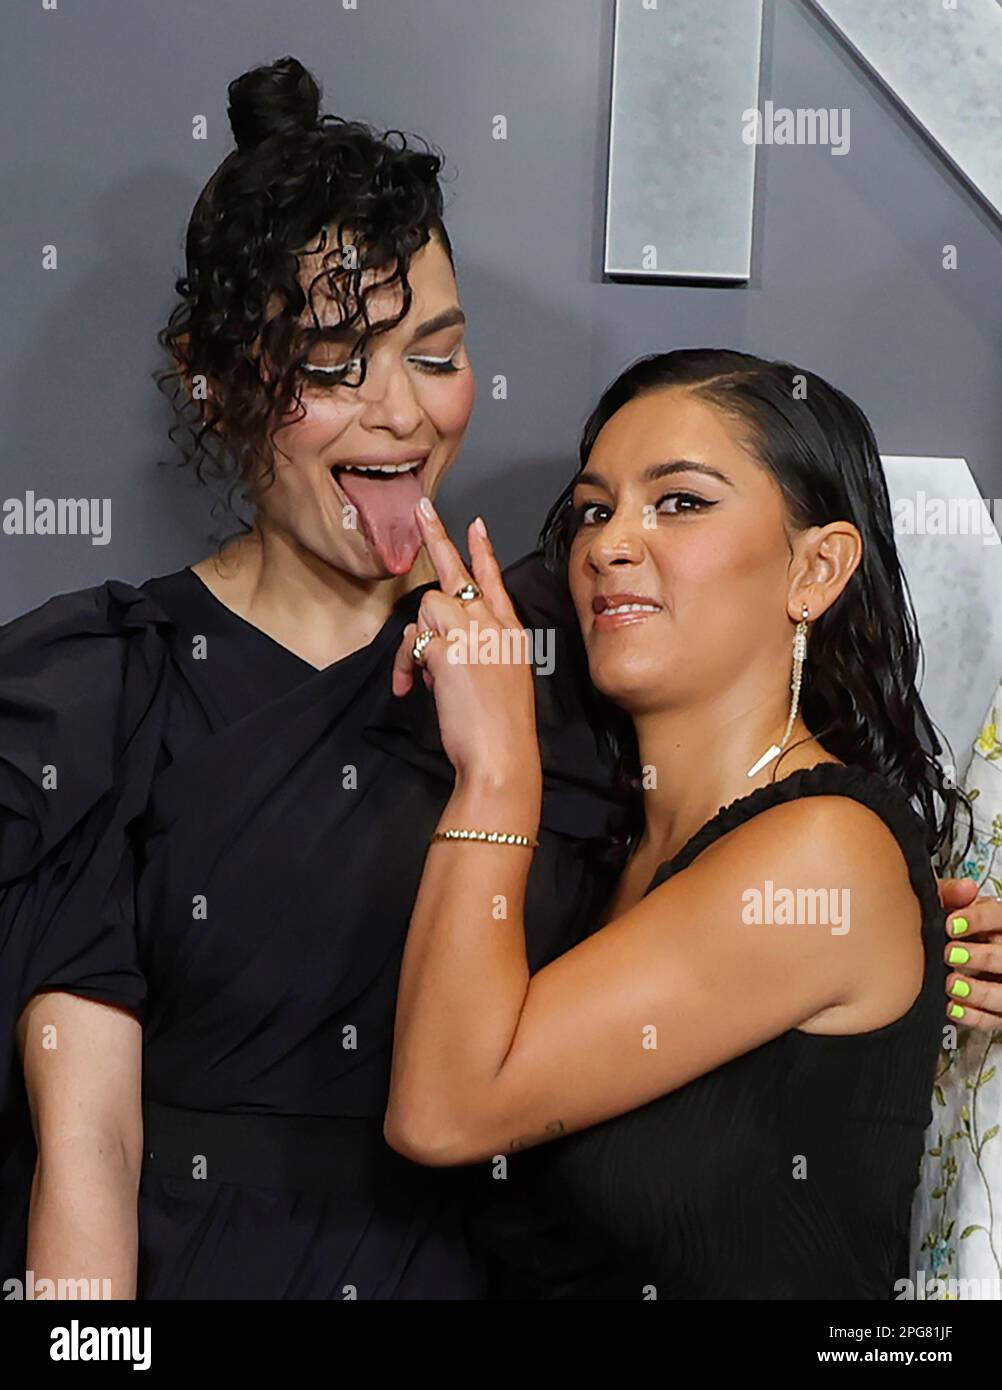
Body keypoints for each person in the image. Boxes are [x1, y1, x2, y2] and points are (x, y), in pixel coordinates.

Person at [0, 56, 624, 1300]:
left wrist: (917, 944)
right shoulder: (109, 688)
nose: (402, 416)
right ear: (217, 374)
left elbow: (718, 918)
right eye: (335, 366)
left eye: (436, 355)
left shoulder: (562, 665)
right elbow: (89, 1146)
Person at [383, 348, 990, 1299]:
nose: (610, 544)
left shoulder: (824, 854)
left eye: (681, 502)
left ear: (817, 569)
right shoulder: (611, 844)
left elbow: (443, 1111)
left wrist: (497, 768)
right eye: (594, 509)